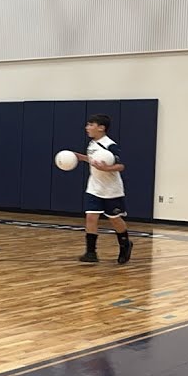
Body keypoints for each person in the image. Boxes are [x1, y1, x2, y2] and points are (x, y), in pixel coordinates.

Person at [75, 113, 133, 264]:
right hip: (94, 187)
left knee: (114, 219)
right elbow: (93, 160)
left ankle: (125, 244)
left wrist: (107, 168)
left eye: (90, 125)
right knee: (91, 217)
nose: (87, 127)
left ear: (101, 128)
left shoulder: (110, 145)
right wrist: (80, 157)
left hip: (111, 190)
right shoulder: (91, 144)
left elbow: (121, 166)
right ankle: (91, 252)